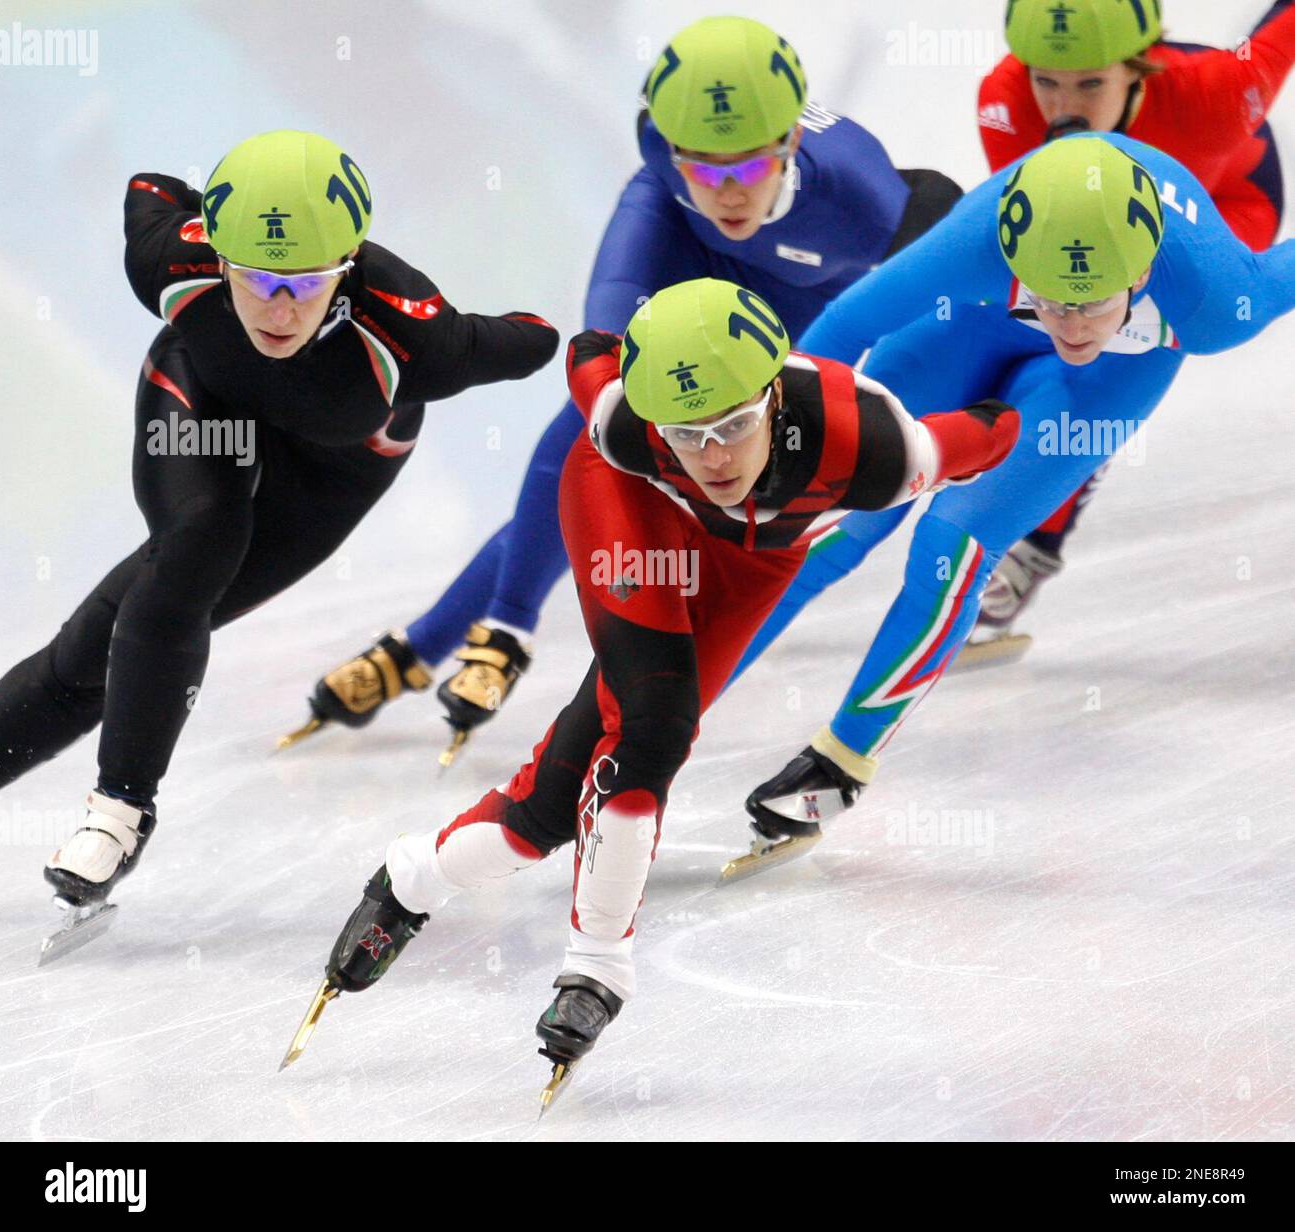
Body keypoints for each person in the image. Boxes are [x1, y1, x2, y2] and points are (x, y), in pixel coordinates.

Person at [289, 278, 1019, 1090]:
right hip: (627, 504)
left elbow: (985, 435)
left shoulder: (882, 451)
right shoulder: (625, 429)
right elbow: (589, 354)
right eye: (689, 432)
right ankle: (599, 966)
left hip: (759, 559)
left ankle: (414, 875)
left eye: (735, 425)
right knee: (656, 723)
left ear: (775, 394)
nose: (713, 456)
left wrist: (1020, 399)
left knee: (545, 815)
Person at [288, 14, 964, 761]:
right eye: (703, 168)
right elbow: (602, 358)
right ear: (669, 149)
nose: (727, 192)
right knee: (605, 427)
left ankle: (430, 641)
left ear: (791, 144)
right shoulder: (660, 169)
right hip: (680, 260)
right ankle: (503, 630)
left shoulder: (864, 201)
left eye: (747, 168)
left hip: (791, 317)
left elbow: (957, 247)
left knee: (668, 479)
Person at [0, 130, 558, 929]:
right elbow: (149, 187)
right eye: (257, 279)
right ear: (218, 257)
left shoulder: (416, 333)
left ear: (351, 263)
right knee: (196, 543)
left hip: (335, 465)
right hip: (207, 408)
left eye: (309, 281)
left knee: (100, 652)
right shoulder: (169, 261)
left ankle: (112, 803)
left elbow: (534, 338)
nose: (281, 307)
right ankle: (119, 814)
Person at [726, 133, 1295, 870]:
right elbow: (846, 329)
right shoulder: (980, 238)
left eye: (1092, 305)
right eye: (1053, 302)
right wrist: (773, 449)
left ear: (1146, 269)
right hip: (973, 321)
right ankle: (662, 710)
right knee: (829, 522)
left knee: (952, 544)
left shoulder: (1219, 301)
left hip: (1102, 385)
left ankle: (837, 769)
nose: (1071, 325)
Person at [968, 0, 1295, 640]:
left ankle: (1035, 546)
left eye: (1091, 82)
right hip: (1110, 208)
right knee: (1056, 323)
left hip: (1226, 206)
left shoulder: (1222, 93)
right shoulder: (1004, 100)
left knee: (1122, 347)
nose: (1066, 105)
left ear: (1137, 70)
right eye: (1048, 81)